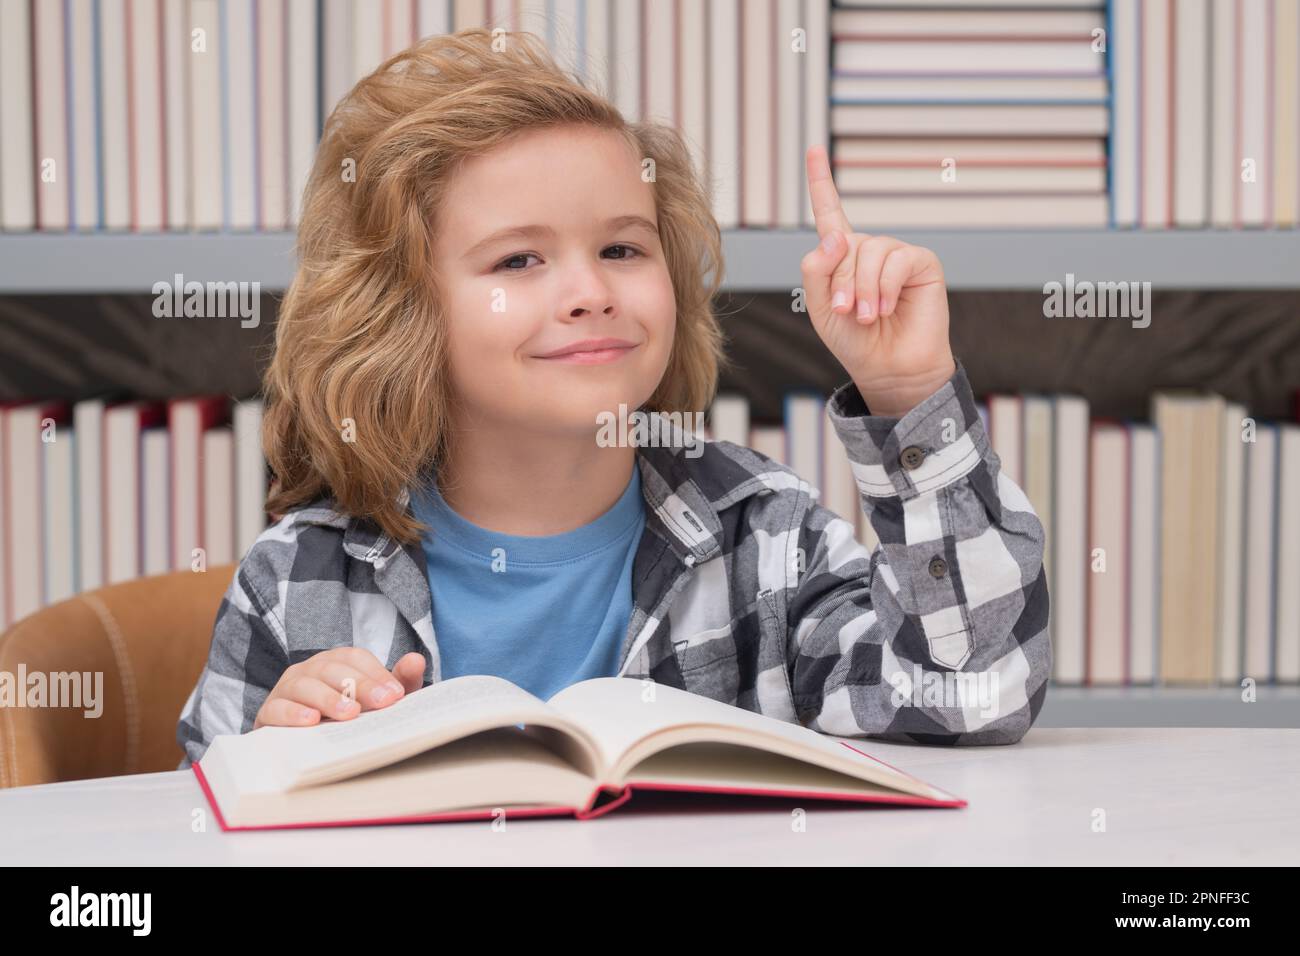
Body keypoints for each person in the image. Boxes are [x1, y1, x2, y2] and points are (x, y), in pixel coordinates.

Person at [176, 27, 1050, 769]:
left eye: (623, 250)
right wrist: (274, 751)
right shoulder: (295, 583)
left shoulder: (767, 542)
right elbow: (191, 826)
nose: (590, 291)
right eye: (519, 260)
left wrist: (908, 392)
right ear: (401, 313)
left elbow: (971, 693)